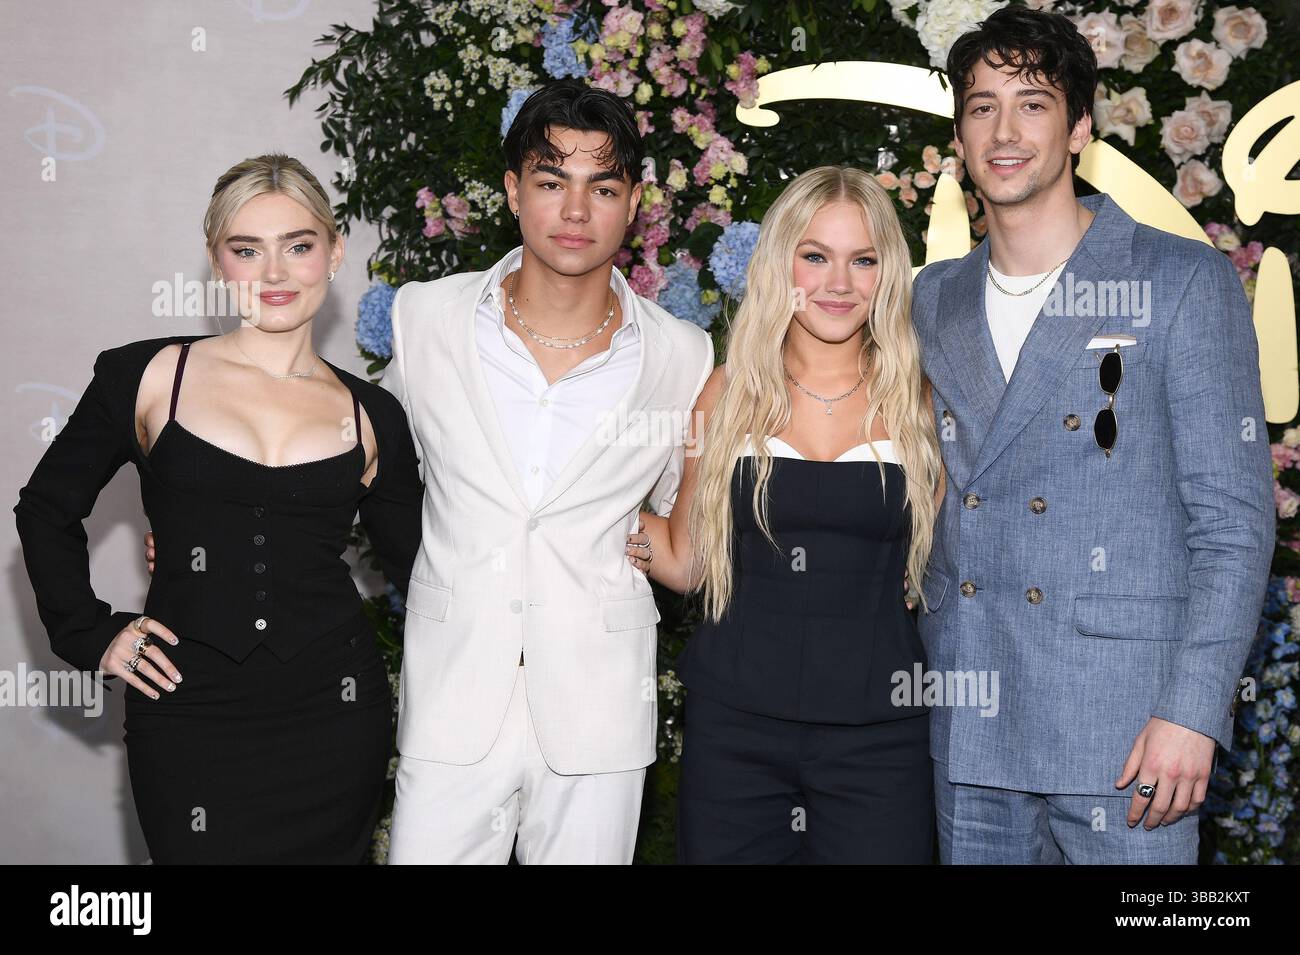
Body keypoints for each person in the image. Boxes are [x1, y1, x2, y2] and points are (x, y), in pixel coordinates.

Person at [910, 6, 1275, 863]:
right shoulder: (932, 297)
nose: (1004, 131)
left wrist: (1194, 708)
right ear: (959, 136)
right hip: (972, 712)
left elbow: (1233, 520)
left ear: (1079, 127)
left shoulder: (1179, 279)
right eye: (980, 106)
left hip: (1129, 728)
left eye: (1032, 103)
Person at [14, 154, 424, 863]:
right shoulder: (145, 376)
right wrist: (90, 632)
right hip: (187, 710)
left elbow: (424, 568)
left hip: (333, 710)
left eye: (298, 245)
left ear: (334, 252)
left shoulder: (374, 414)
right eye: (246, 250)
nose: (274, 274)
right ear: (215, 261)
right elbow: (45, 507)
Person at [380, 80, 714, 864]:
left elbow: (681, 522)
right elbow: (362, 467)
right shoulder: (428, 318)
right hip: (452, 699)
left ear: (633, 202)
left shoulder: (680, 355)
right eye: (550, 181)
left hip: (599, 709)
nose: (575, 211)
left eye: (601, 186)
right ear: (512, 192)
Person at [630, 166, 946, 863]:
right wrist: (591, 512)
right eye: (816, 255)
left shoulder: (919, 402)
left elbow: (941, 569)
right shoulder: (727, 393)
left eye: (863, 259)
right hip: (735, 736)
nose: (839, 281)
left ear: (886, 272)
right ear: (782, 264)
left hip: (882, 739)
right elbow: (687, 560)